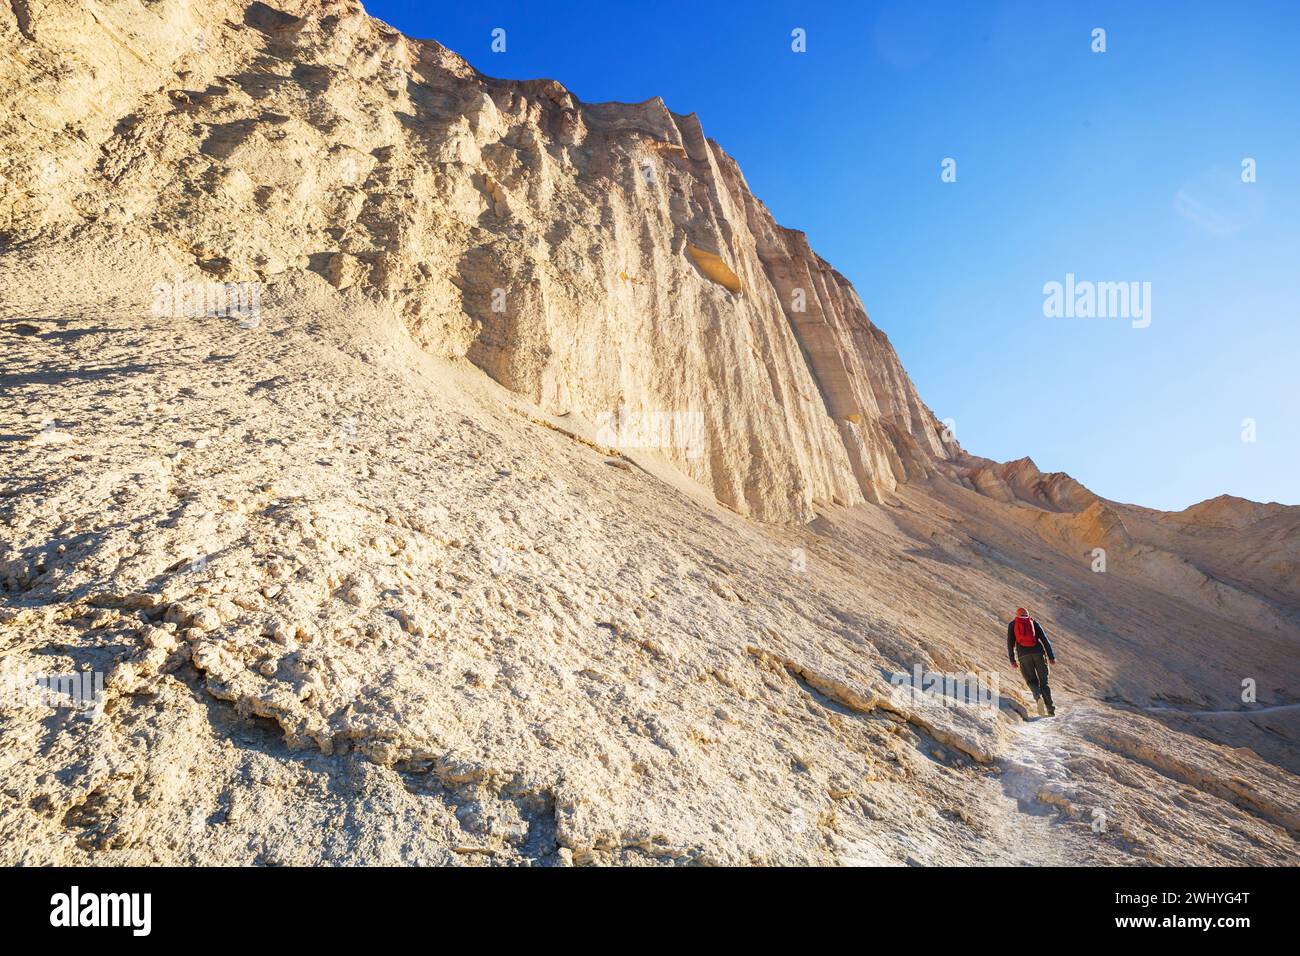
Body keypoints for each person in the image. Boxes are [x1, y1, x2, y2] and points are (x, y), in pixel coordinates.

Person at [1007, 607, 1056, 716]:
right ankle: (1050, 710)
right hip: (1039, 653)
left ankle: (1037, 696)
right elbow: (1045, 640)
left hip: (1023, 656)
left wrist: (1012, 659)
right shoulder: (1034, 623)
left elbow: (1010, 643)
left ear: (1016, 614)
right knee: (1044, 682)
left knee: (1031, 680)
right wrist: (1051, 657)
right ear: (1028, 614)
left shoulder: (1012, 624)